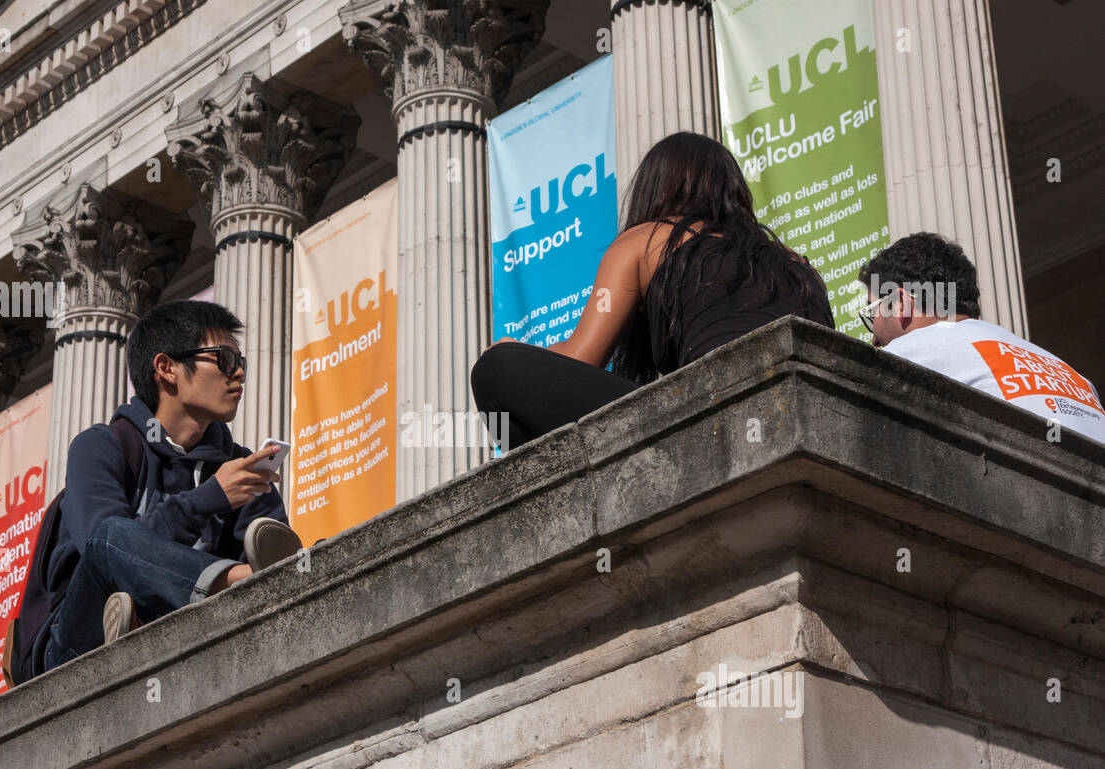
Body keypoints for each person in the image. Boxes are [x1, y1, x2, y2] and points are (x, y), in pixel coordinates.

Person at [471, 131, 835, 450]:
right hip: (811, 414)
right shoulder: (796, 263)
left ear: (655, 189)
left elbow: (580, 357)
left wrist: (509, 349)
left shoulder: (647, 239)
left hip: (711, 421)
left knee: (496, 369)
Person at [35, 300, 303, 674]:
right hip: (79, 639)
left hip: (193, 629)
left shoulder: (236, 466)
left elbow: (268, 548)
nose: (239, 374)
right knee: (109, 536)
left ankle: (142, 623)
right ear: (166, 368)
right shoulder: (101, 446)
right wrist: (209, 500)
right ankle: (229, 582)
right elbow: (102, 550)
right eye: (224, 359)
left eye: (241, 362)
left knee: (274, 555)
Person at [860, 232, 1105, 444]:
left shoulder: (914, 348)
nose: (875, 341)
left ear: (899, 303)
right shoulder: (1073, 375)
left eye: (873, 312)